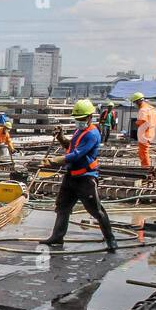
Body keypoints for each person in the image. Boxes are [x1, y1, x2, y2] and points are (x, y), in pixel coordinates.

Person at [41, 99, 118, 252]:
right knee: (62, 207)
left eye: (82, 119)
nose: (80, 122)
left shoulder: (92, 134)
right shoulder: (79, 131)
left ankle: (110, 239)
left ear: (90, 117)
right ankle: (57, 236)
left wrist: (53, 161)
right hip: (71, 176)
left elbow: (76, 155)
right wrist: (61, 137)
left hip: (85, 178)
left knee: (96, 210)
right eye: (78, 119)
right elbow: (71, 147)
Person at [131, 92, 156, 171]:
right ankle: (146, 167)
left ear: (138, 101)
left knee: (143, 152)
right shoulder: (151, 108)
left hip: (144, 134)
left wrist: (136, 122)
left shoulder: (143, 110)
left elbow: (142, 122)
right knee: (143, 152)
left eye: (135, 102)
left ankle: (146, 169)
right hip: (150, 133)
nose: (135, 104)